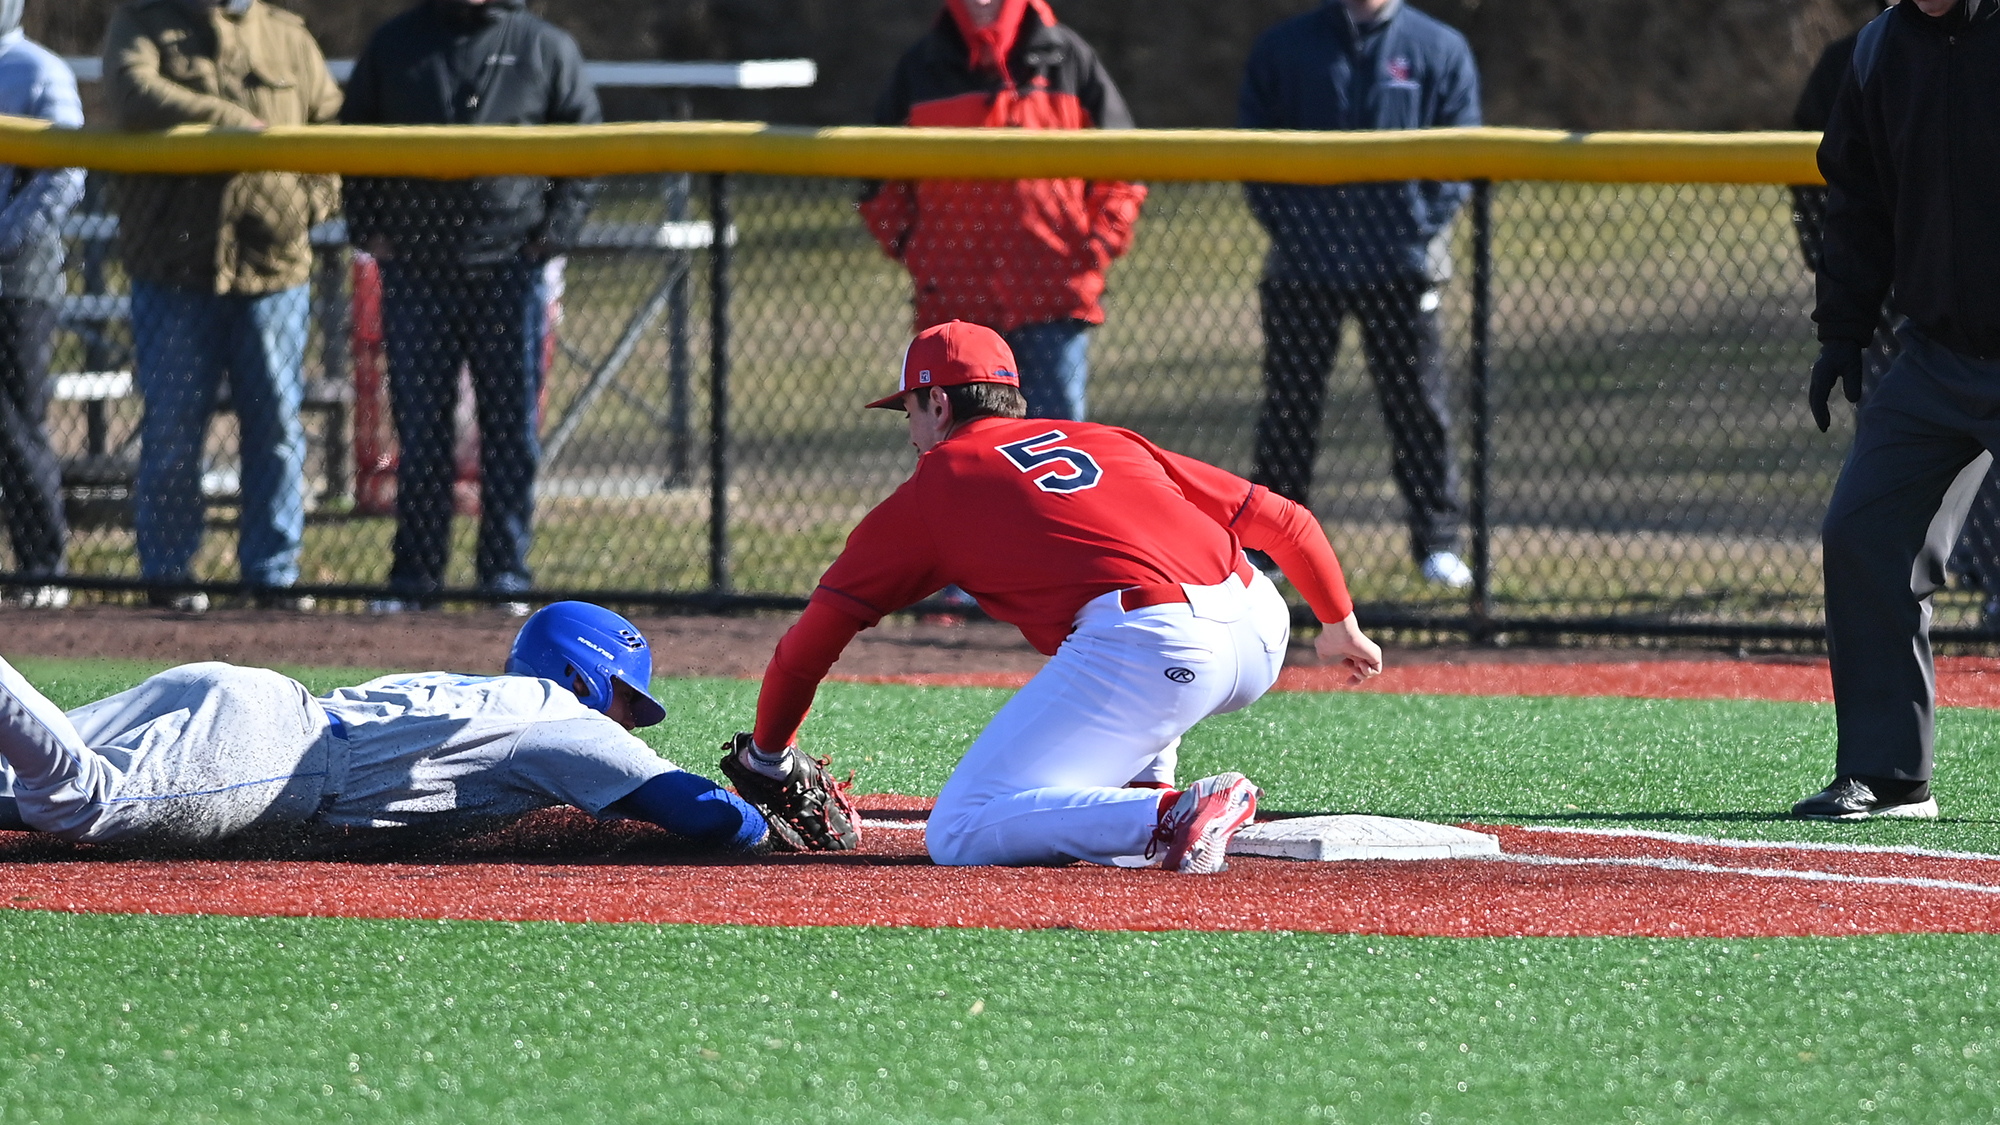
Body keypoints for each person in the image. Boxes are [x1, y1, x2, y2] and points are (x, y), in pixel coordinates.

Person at [730, 320, 1382, 873]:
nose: (911, 431)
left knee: (958, 830)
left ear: (940, 405)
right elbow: (1284, 520)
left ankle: (1172, 812)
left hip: (1159, 647)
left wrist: (768, 752)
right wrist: (1340, 624)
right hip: (1261, 622)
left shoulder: (937, 484)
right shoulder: (1102, 438)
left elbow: (808, 646)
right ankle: (1145, 786)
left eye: (911, 410)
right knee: (1108, 635)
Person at [0, 601, 770, 855]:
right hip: (279, 756)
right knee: (77, 799)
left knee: (10, 787)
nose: (631, 721)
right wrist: (770, 819)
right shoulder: (563, 719)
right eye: (628, 701)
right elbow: (709, 817)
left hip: (244, 695)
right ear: (582, 676)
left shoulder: (488, 698)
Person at [1793, 0, 2000, 820]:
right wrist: (1841, 333)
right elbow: (1857, 205)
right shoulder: (1878, 51)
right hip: (1935, 357)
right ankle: (1889, 773)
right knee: (1862, 531)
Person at [340, 0, 602, 614]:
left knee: (509, 431)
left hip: (510, 268)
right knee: (422, 430)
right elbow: (352, 139)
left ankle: (505, 575)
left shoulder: (543, 45)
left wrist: (552, 235)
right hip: (417, 269)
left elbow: (588, 145)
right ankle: (415, 579)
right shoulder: (397, 42)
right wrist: (369, 228)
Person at [103, 0, 343, 615]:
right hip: (174, 271)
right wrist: (228, 121)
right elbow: (131, 94)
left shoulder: (289, 36)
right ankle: (169, 575)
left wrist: (308, 203)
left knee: (277, 429)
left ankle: (273, 576)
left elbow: (333, 127)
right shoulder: (144, 22)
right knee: (172, 429)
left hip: (272, 269)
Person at [1238, 0, 1481, 590]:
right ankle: (1269, 551)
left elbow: (1461, 155)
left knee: (1418, 410)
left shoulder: (1439, 47)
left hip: (1401, 269)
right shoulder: (1284, 47)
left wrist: (1413, 228)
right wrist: (1295, 229)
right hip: (1303, 269)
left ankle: (1438, 545)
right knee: (1289, 412)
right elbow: (1252, 150)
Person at [859, 0, 1146, 422]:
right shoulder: (921, 68)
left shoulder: (1065, 57)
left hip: (1052, 295)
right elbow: (875, 183)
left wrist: (1097, 243)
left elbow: (1126, 166)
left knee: (1053, 443)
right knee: (963, 450)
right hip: (957, 308)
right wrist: (913, 248)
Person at [0, 0, 83, 610]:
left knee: (14, 422)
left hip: (17, 279)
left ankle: (42, 565)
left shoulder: (38, 69)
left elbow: (65, 172)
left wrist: (6, 236)